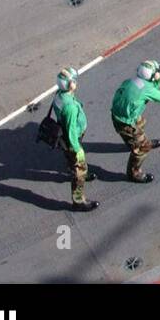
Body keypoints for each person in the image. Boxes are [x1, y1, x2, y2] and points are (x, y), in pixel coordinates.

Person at [110, 59, 160, 184]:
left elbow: (149, 87)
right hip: (126, 123)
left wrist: (159, 76)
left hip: (120, 116)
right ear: (153, 75)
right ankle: (134, 173)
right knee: (143, 148)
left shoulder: (131, 81)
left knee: (141, 122)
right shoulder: (146, 89)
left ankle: (134, 142)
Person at [52, 68, 98, 212]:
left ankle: (72, 166)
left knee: (70, 158)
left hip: (67, 137)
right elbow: (71, 130)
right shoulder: (70, 107)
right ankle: (78, 200)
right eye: (74, 81)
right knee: (80, 167)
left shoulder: (59, 95)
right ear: (70, 85)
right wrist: (77, 149)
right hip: (73, 138)